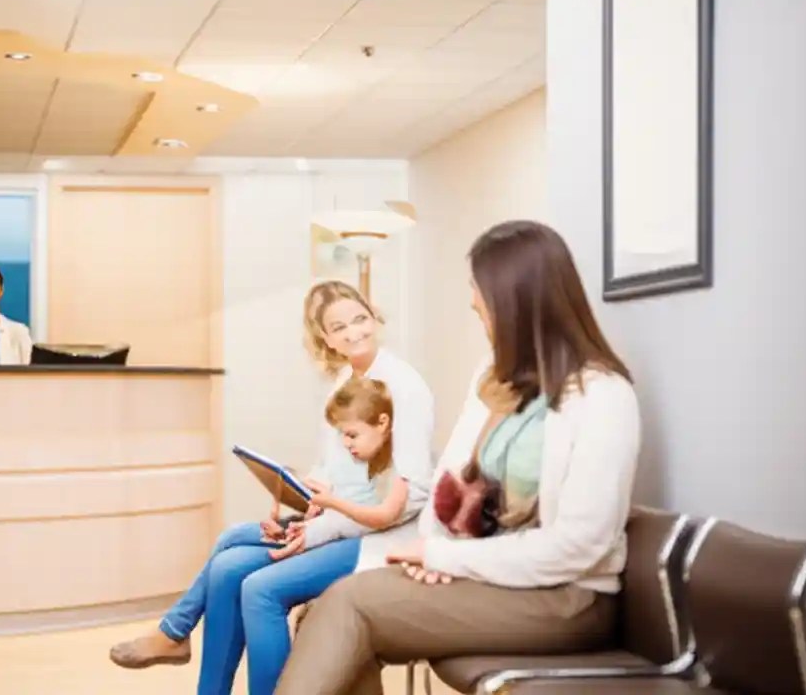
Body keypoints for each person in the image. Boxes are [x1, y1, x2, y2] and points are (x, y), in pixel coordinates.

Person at [274, 220, 640, 695]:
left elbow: (579, 546)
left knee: (348, 606)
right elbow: (451, 478)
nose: (478, 315)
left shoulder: (602, 395)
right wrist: (433, 548)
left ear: (517, 305)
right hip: (484, 574)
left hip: (566, 596)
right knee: (326, 609)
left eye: (483, 307)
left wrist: (446, 556)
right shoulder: (492, 377)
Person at [108, 281, 434, 695]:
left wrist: (321, 526)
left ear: (374, 317)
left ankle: (176, 633)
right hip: (338, 520)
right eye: (339, 327)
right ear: (325, 338)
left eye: (360, 319)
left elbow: (408, 498)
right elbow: (335, 468)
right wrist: (306, 499)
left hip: (379, 536)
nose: (354, 332)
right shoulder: (343, 382)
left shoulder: (403, 387)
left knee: (259, 589)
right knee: (227, 565)